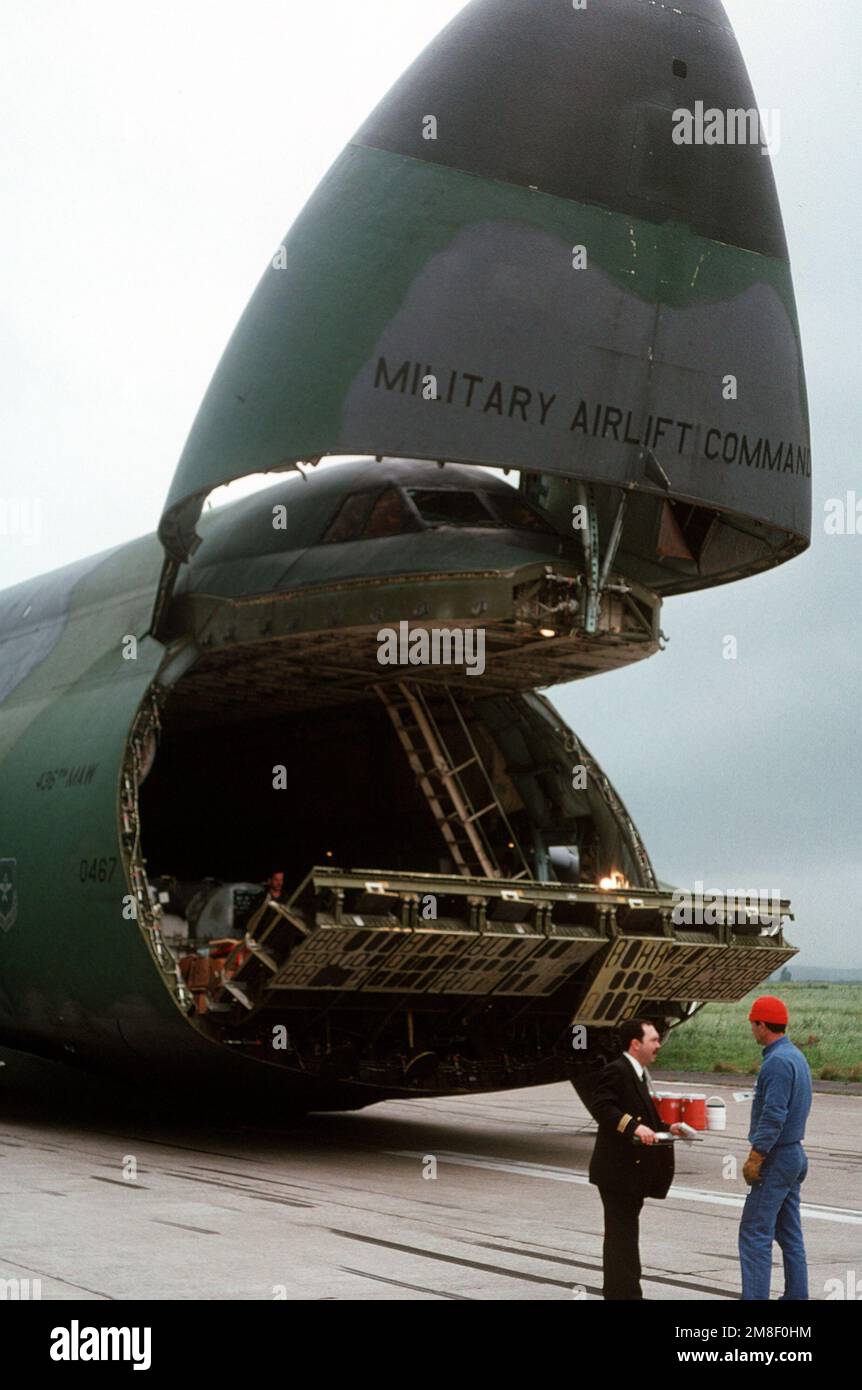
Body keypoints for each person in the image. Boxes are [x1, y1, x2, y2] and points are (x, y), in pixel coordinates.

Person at [588, 1019, 684, 1299]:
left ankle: (625, 1293)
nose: (658, 1045)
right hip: (617, 1174)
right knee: (622, 1239)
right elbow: (602, 1106)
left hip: (629, 1175)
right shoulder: (617, 1071)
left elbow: (646, 1119)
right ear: (635, 1044)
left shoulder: (638, 1073)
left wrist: (668, 1129)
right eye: (653, 1040)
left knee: (625, 1237)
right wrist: (632, 1127)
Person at [738, 995, 813, 1301]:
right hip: (794, 1154)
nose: (752, 1030)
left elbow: (774, 1114)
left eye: (753, 1024)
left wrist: (757, 1155)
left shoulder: (778, 1062)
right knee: (790, 1235)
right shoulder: (795, 1055)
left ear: (762, 1025)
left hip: (777, 1157)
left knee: (754, 1233)